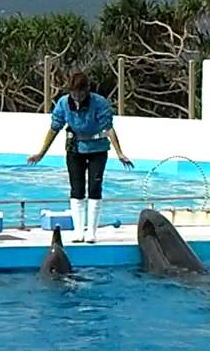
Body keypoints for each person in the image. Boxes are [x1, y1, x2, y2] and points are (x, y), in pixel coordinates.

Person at [28, 71, 132, 243]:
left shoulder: (99, 103)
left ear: (87, 90)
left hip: (98, 149)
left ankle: (91, 232)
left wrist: (119, 153)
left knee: (94, 187)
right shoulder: (63, 103)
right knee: (76, 189)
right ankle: (78, 231)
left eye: (81, 93)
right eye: (74, 93)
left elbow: (109, 128)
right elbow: (54, 128)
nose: (77, 97)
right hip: (75, 149)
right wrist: (41, 153)